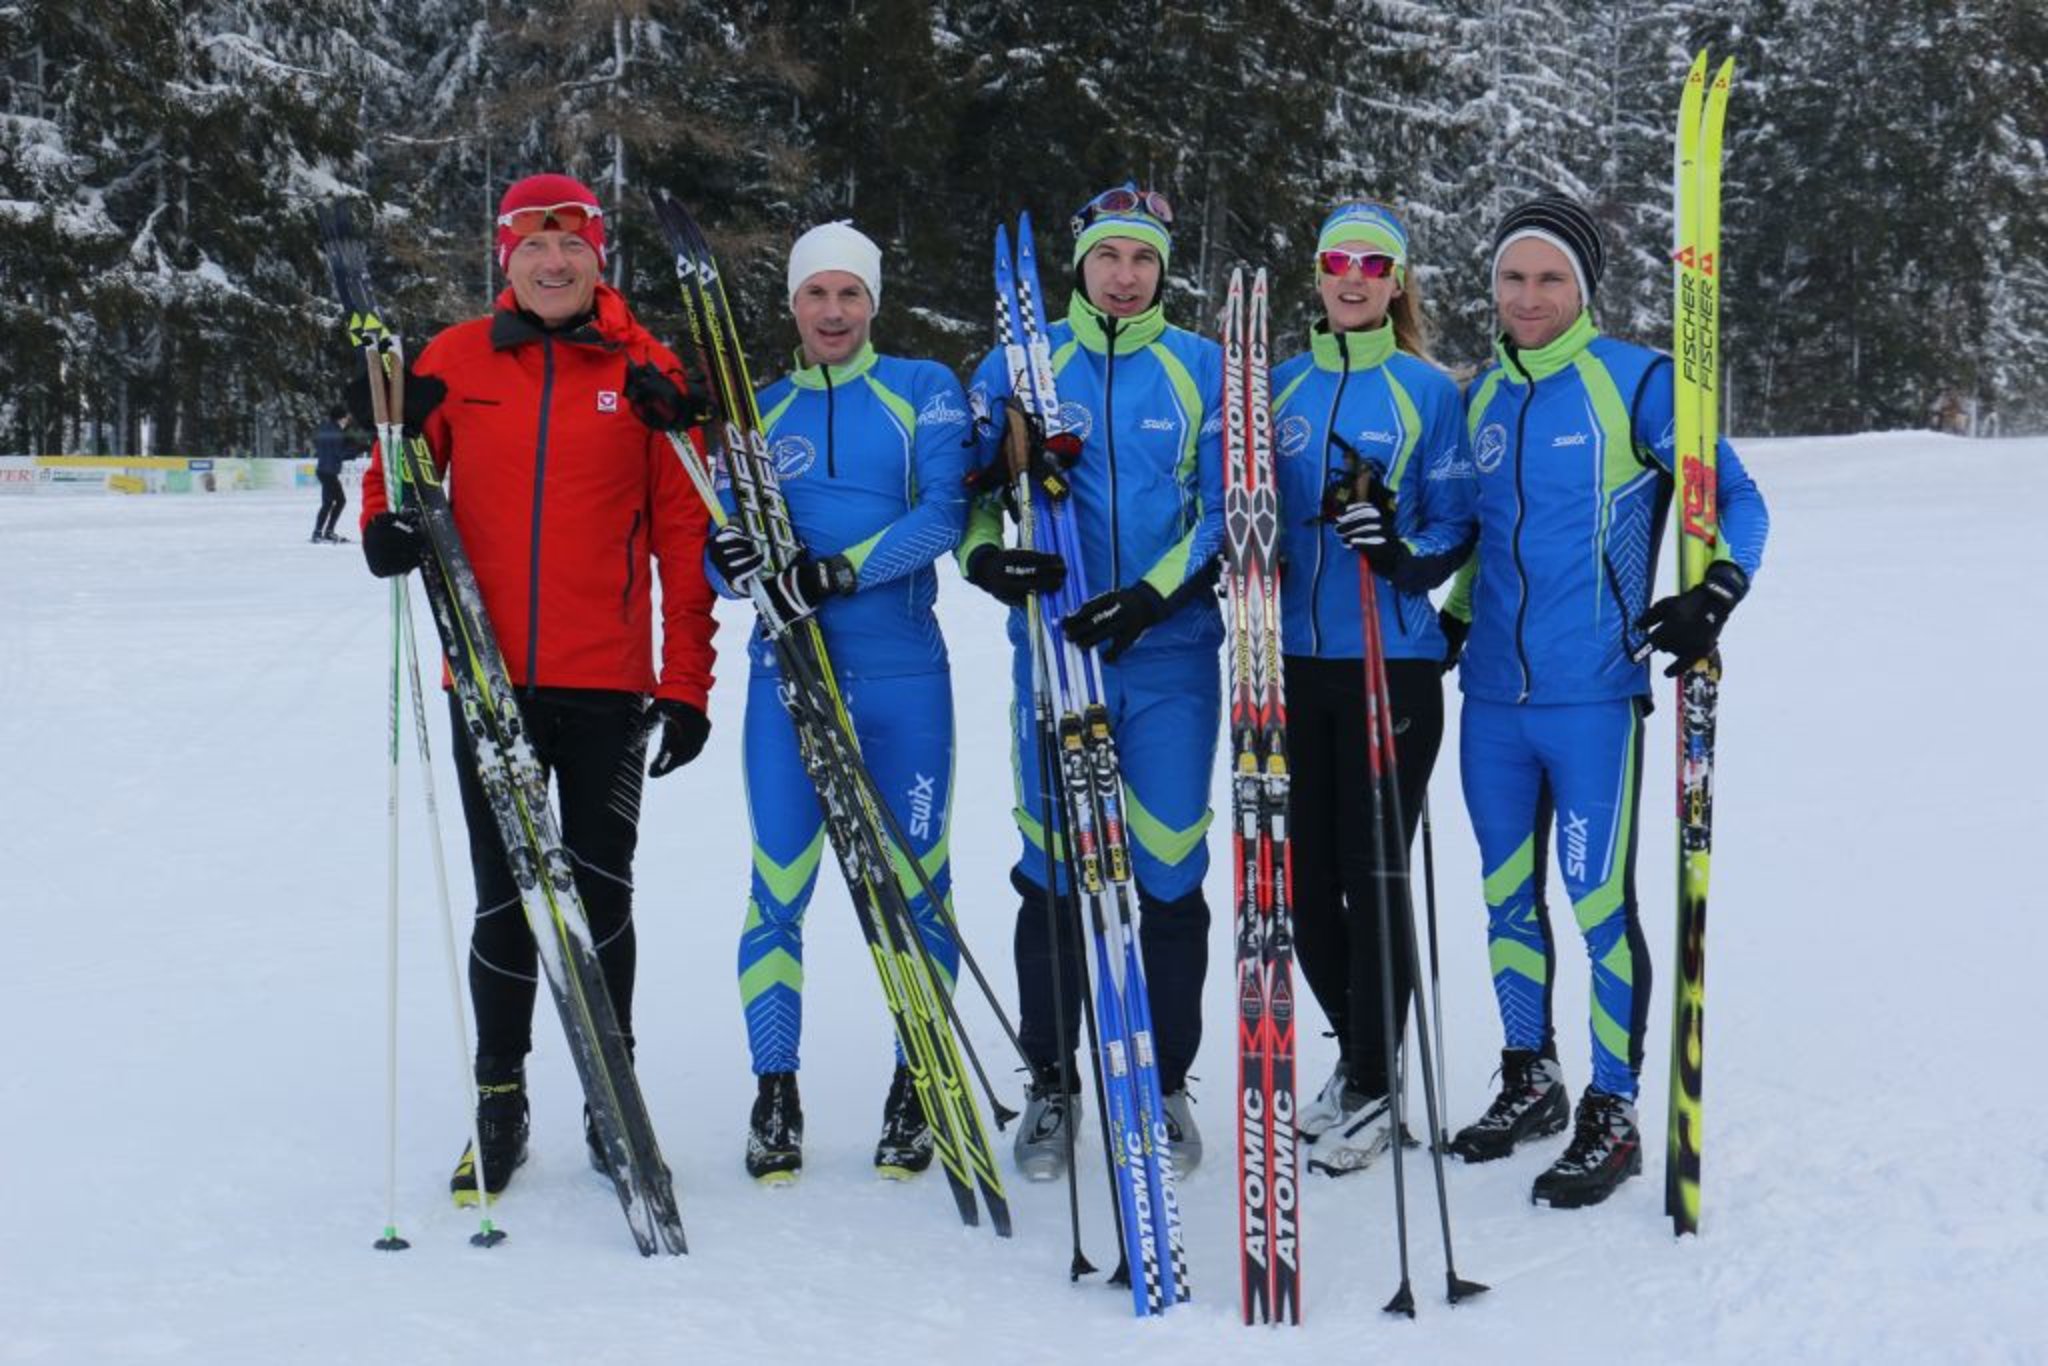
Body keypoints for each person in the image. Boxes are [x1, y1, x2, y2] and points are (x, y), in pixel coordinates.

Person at [351, 172, 720, 1206]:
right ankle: (500, 1101)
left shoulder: (646, 367)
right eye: (532, 247)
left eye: (572, 247)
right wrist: (386, 521)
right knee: (504, 898)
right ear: (503, 258)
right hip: (489, 678)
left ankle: (614, 1101)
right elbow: (398, 468)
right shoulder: (454, 359)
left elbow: (686, 538)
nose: (553, 264)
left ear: (598, 256)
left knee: (602, 891)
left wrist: (684, 682)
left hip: (608, 686)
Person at [1446, 193, 1768, 1208]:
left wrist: (1714, 590)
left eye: (1549, 278)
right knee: (1503, 898)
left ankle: (1613, 1104)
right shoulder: (1479, 399)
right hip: (1489, 700)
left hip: (1591, 697)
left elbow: (1738, 500)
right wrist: (1440, 614)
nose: (1528, 296)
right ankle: (1527, 1074)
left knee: (1593, 903)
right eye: (1511, 277)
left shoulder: (1636, 383)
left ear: (1581, 288)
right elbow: (1472, 544)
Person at [960, 183, 1225, 1180]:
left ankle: (1159, 1081)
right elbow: (972, 497)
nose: (1125, 275)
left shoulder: (1198, 367)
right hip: (1054, 650)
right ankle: (1052, 1084)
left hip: (1167, 655)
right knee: (1052, 868)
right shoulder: (1018, 365)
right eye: (1109, 255)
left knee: (1165, 868)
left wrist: (1154, 596)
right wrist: (987, 561)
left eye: (1143, 259)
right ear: (1079, 264)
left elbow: (1218, 507)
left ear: (1162, 269)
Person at [704, 221, 972, 1185]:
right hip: (789, 679)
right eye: (815, 295)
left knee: (919, 884)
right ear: (793, 306)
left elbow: (944, 513)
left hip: (903, 677)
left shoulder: (921, 391)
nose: (832, 311)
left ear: (873, 303)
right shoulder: (759, 411)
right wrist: (731, 563)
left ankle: (918, 1081)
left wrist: (840, 572)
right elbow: (720, 541)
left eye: (848, 294)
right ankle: (775, 1092)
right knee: (779, 889)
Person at [1266, 203, 1476, 1175]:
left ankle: (1369, 1079)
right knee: (1302, 890)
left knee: (1371, 872)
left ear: (1397, 283)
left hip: (1390, 666)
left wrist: (1395, 551)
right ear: (1316, 273)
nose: (1351, 276)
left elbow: (1453, 526)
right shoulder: (1275, 388)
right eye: (1336, 260)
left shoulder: (1428, 394)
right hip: (1290, 668)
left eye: (1372, 264)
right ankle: (1358, 1060)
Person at [310, 407, 353, 543]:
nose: (347, 420)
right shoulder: (337, 432)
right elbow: (339, 454)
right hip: (328, 472)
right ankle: (320, 533)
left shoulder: (325, 429)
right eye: (346, 417)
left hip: (324, 470)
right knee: (338, 501)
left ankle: (325, 532)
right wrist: (354, 452)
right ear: (340, 418)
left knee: (331, 502)